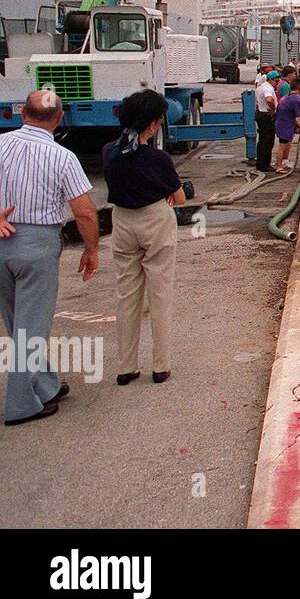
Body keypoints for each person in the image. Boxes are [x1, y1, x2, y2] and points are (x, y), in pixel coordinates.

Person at [0, 90, 99, 425]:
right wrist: (91, 248)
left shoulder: (1, 145)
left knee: (18, 322)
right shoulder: (62, 157)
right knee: (33, 326)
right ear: (59, 120)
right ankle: (21, 404)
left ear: (21, 114)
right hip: (36, 243)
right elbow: (84, 212)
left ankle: (44, 384)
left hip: (3, 238)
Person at [102, 90, 184, 386]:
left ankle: (126, 366)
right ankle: (160, 365)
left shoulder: (109, 151)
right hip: (154, 219)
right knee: (160, 293)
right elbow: (180, 197)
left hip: (122, 220)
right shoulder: (158, 158)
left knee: (127, 295)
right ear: (152, 124)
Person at [273, 78, 300, 173]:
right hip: (285, 126)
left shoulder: (286, 97)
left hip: (284, 123)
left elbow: (292, 114)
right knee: (282, 146)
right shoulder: (296, 100)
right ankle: (279, 166)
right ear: (299, 88)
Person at [254, 70, 279, 172]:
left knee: (262, 140)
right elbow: (269, 99)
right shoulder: (268, 88)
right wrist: (273, 109)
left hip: (260, 114)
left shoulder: (260, 87)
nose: (277, 84)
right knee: (268, 141)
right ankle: (265, 164)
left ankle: (260, 163)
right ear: (271, 80)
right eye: (276, 81)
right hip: (267, 116)